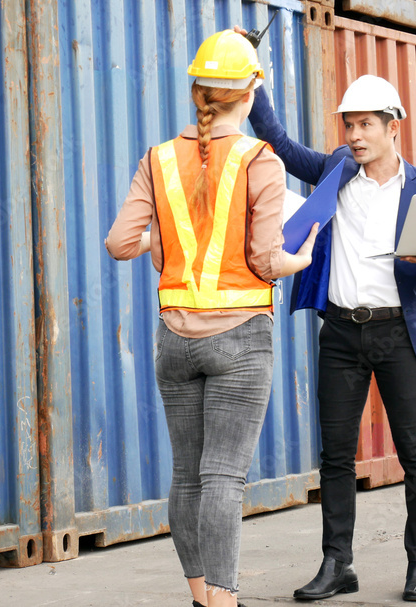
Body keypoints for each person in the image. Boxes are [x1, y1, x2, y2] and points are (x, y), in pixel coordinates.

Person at [105, 30, 318, 607]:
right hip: (240, 338)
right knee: (223, 476)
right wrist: (298, 258)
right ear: (250, 96)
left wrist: (165, 240)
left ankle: (202, 597)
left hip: (174, 339)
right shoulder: (261, 160)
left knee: (188, 475)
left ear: (197, 93)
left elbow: (120, 242)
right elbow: (263, 260)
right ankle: (224, 601)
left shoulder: (158, 158)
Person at [247, 74, 416, 603]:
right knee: (338, 456)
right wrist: (252, 82)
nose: (355, 134)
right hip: (342, 333)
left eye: (367, 124)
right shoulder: (334, 170)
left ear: (394, 128)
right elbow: (276, 142)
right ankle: (337, 564)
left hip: (398, 333)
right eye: (349, 124)